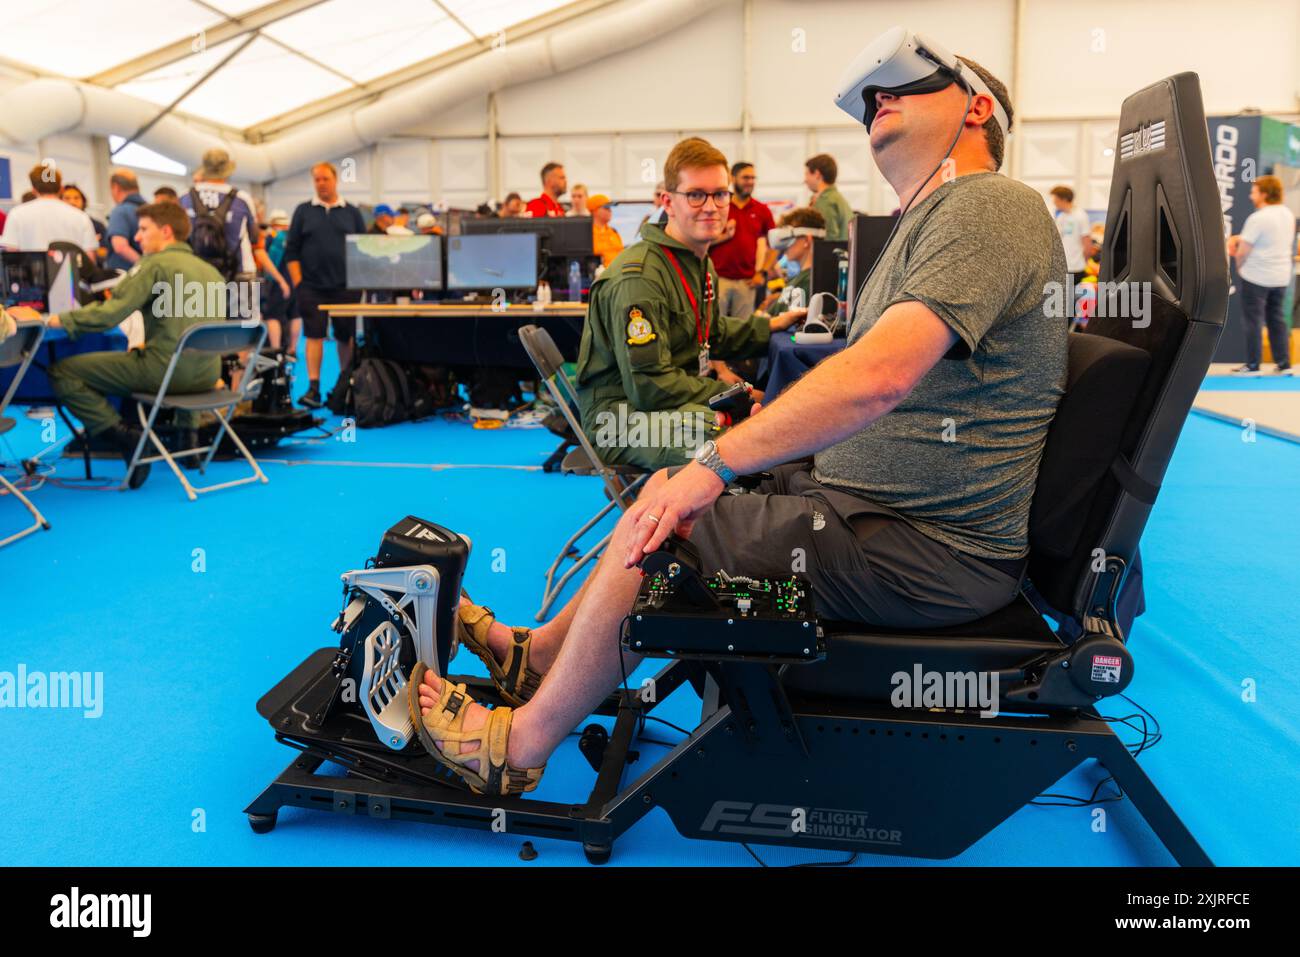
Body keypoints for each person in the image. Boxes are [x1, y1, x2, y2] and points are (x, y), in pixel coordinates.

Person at [407, 41, 1067, 798]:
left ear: (976, 107)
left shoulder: (990, 203)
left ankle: (519, 745)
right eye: (871, 97)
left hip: (925, 547)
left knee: (669, 520)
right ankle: (542, 654)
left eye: (902, 89)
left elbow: (880, 376)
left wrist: (717, 462)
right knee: (663, 488)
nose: (879, 101)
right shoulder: (933, 219)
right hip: (876, 512)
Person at [574, 137, 805, 473]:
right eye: (696, 195)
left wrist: (770, 326)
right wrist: (735, 391)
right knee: (747, 442)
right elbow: (650, 386)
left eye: (720, 194)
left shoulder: (696, 262)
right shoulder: (640, 279)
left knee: (768, 430)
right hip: (619, 420)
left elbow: (711, 331)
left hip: (661, 406)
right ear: (668, 201)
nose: (710, 206)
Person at [24, 202, 225, 489]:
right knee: (183, 353)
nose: (137, 237)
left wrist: (57, 319)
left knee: (62, 371)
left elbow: (110, 314)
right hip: (206, 375)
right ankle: (188, 441)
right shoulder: (211, 272)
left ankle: (126, 436)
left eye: (143, 229)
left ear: (166, 231)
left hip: (165, 372)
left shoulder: (153, 265)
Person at [284, 161, 367, 408]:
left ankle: (346, 384)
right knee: (314, 335)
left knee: (345, 336)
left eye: (325, 179)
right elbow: (292, 251)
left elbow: (362, 250)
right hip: (311, 287)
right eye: (317, 180)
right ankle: (313, 387)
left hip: (345, 287)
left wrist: (359, 283)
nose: (321, 184)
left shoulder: (351, 213)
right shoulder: (303, 211)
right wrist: (299, 284)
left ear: (335, 180)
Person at [1228, 174, 1297, 375]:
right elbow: (1273, 239)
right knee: (1277, 319)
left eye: (1254, 192)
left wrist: (1240, 267)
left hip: (1256, 276)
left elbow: (1243, 251)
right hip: (1281, 277)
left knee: (1253, 320)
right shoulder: (1287, 214)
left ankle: (1252, 365)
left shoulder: (1258, 218)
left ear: (1264, 194)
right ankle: (1284, 364)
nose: (1251, 196)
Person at [709, 161, 776, 321]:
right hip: (719, 280)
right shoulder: (718, 206)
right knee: (714, 329)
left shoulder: (762, 210)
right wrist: (723, 236)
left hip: (747, 283)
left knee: (742, 333)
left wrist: (763, 273)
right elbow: (700, 242)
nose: (750, 182)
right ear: (732, 178)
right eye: (746, 177)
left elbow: (775, 246)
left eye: (753, 178)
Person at [0, 163, 98, 259]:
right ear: (61, 189)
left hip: (33, 273)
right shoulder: (81, 216)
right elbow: (90, 257)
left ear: (34, 190)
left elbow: (11, 254)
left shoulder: (17, 214)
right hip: (73, 274)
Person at [757, 206, 826, 314]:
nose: (784, 246)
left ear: (807, 240)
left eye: (789, 239)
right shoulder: (799, 279)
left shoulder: (810, 282)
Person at [262, 209, 298, 356]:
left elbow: (268, 264)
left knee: (272, 316)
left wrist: (280, 281)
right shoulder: (295, 239)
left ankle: (275, 349)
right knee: (295, 315)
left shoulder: (273, 239)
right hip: (295, 282)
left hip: (278, 284)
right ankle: (293, 348)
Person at [103, 169, 147, 272]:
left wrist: (144, 266)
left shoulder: (120, 211)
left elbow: (120, 246)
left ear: (116, 187)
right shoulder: (151, 209)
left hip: (126, 276)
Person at [804, 153, 853, 241]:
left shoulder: (825, 201)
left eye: (807, 174)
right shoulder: (837, 198)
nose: (805, 180)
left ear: (817, 174)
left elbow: (829, 239)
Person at [1049, 185, 1090, 276]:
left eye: (1055, 200)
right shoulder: (1061, 217)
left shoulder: (1081, 216)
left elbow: (1087, 242)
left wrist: (1085, 261)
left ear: (1063, 199)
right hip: (1062, 266)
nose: (1054, 202)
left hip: (1076, 267)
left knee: (1069, 290)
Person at [61, 184, 107, 255]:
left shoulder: (97, 225)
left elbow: (105, 252)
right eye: (67, 198)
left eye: (76, 198)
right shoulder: (58, 224)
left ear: (83, 201)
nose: (72, 202)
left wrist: (92, 245)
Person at [586, 193, 622, 267]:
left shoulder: (613, 232)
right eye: (606, 208)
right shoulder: (586, 234)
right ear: (594, 211)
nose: (610, 211)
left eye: (610, 208)